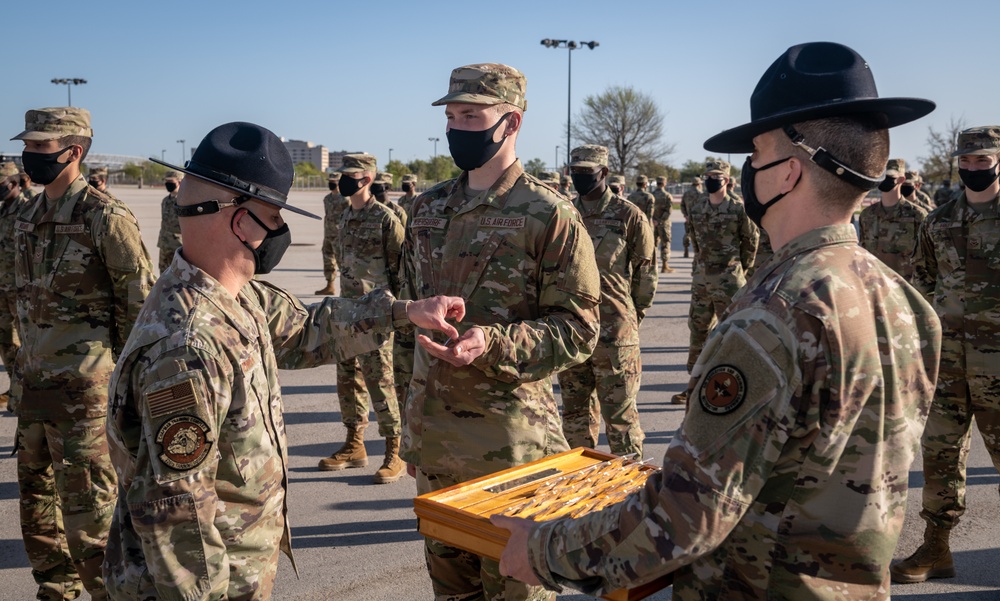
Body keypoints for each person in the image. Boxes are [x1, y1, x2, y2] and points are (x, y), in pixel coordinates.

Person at [492, 40, 942, 600]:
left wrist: (543, 550)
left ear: (788, 173)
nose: (746, 166)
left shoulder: (775, 315)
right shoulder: (903, 300)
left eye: (756, 151)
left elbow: (686, 517)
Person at [103, 122, 463, 600]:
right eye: (274, 216)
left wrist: (404, 312)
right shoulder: (188, 346)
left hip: (240, 568)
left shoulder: (233, 296)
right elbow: (179, 515)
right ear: (241, 221)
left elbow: (308, 328)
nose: (282, 230)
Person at [404, 62, 601, 601]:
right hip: (435, 448)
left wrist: (492, 343)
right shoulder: (425, 209)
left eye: (472, 115)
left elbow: (579, 329)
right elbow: (412, 320)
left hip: (512, 455)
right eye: (451, 115)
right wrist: (409, 430)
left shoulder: (549, 214)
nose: (457, 127)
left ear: (510, 123)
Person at [11, 107, 156, 601]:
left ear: (74, 152)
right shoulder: (25, 214)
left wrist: (130, 391)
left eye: (41, 149)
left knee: (90, 513)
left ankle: (105, 595)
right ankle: (55, 590)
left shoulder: (105, 217)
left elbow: (139, 309)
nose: (28, 156)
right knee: (35, 503)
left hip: (86, 393)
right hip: (32, 387)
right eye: (27, 146)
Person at [893, 125, 1000, 584]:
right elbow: (922, 288)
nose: (974, 168)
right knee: (939, 457)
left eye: (983, 159)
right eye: (967, 160)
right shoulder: (938, 220)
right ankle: (936, 548)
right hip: (948, 365)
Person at [558, 145, 655, 456]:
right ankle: (575, 489)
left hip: (615, 335)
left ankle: (631, 495)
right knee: (574, 418)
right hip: (572, 331)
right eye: (575, 173)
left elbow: (645, 275)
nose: (579, 179)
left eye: (586, 173)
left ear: (604, 173)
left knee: (621, 422)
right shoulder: (563, 214)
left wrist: (629, 318)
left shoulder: (628, 215)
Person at [317, 154, 406, 484]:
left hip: (376, 314)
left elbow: (401, 270)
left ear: (367, 179)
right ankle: (355, 444)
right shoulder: (343, 215)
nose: (343, 181)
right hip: (346, 312)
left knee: (381, 382)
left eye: (349, 175)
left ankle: (393, 451)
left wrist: (395, 313)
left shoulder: (385, 218)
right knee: (348, 380)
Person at [671, 159, 757, 406]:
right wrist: (700, 264)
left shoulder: (738, 208)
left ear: (727, 181)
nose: (710, 180)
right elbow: (694, 239)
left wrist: (740, 269)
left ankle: (734, 388)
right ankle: (694, 386)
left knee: (731, 334)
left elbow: (750, 241)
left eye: (715, 176)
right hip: (701, 280)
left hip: (729, 281)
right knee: (697, 331)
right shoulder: (698, 206)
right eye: (707, 175)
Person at [858, 158, 927, 281]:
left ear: (901, 179)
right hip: (876, 287)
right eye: (881, 175)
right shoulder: (866, 215)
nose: (884, 179)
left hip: (907, 290)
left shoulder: (917, 216)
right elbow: (863, 254)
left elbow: (927, 260)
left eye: (889, 176)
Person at [0, 161, 31, 411]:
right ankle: (15, 390)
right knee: (5, 341)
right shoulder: (3, 210)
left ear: (13, 184)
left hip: (20, 289)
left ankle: (28, 395)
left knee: (26, 344)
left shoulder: (28, 209)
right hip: (2, 286)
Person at [316, 171, 346, 295]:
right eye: (330, 182)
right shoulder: (327, 199)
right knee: (328, 260)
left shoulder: (345, 199)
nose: (331, 184)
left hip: (339, 236)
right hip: (328, 234)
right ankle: (330, 285)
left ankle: (346, 288)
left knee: (342, 262)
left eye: (334, 182)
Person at [156, 170, 184, 273]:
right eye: (166, 181)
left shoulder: (184, 201)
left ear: (180, 182)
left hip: (177, 245)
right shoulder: (165, 201)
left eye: (171, 181)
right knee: (163, 274)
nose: (167, 184)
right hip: (164, 244)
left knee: (177, 275)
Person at [651, 175, 674, 272]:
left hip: (652, 223)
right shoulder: (667, 195)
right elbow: (668, 211)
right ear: (664, 183)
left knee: (653, 244)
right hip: (664, 223)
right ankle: (665, 265)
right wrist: (660, 221)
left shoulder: (651, 195)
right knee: (665, 243)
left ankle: (653, 265)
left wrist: (654, 220)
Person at [680, 176, 703, 258]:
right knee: (698, 237)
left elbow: (682, 205)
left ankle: (686, 250)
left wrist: (685, 215)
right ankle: (697, 253)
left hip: (688, 218)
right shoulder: (701, 194)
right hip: (698, 220)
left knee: (687, 234)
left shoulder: (686, 193)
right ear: (699, 184)